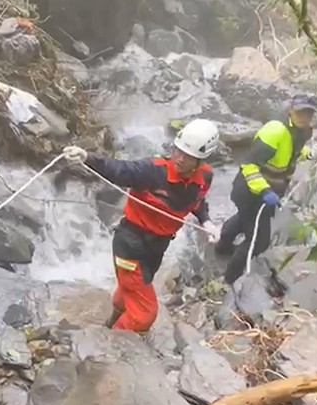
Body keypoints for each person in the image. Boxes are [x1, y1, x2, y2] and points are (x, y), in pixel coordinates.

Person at [62, 119, 221, 333]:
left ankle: (112, 321)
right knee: (145, 314)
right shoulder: (152, 171)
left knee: (129, 290)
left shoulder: (205, 177)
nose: (180, 159)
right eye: (178, 151)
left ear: (201, 160)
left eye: (188, 156)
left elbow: (197, 201)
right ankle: (111, 342)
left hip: (156, 248)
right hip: (130, 243)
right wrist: (87, 158)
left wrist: (206, 221)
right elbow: (120, 169)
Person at [216, 94, 317, 285]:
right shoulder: (274, 131)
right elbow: (249, 165)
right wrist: (264, 191)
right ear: (291, 109)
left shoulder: (302, 131)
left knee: (244, 219)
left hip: (268, 193)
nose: (303, 116)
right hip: (251, 190)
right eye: (300, 111)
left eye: (308, 112)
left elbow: (290, 153)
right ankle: (229, 279)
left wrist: (309, 154)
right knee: (258, 241)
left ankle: (222, 248)